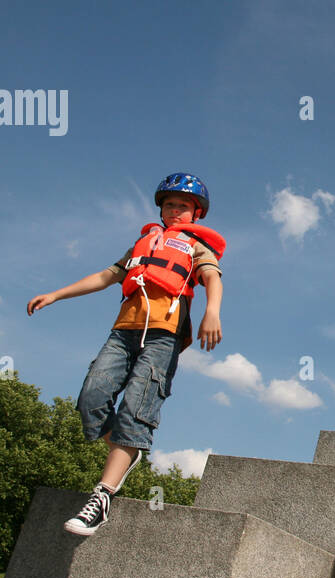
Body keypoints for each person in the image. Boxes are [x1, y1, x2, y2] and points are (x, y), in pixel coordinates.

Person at [27, 173, 226, 535]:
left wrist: (212, 311)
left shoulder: (195, 246)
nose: (175, 210)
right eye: (169, 204)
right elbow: (107, 276)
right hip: (123, 332)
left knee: (136, 407)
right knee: (92, 396)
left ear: (197, 213)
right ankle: (128, 447)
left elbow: (212, 277)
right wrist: (56, 294)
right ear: (160, 209)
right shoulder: (143, 242)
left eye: (183, 205)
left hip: (164, 335)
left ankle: (102, 496)